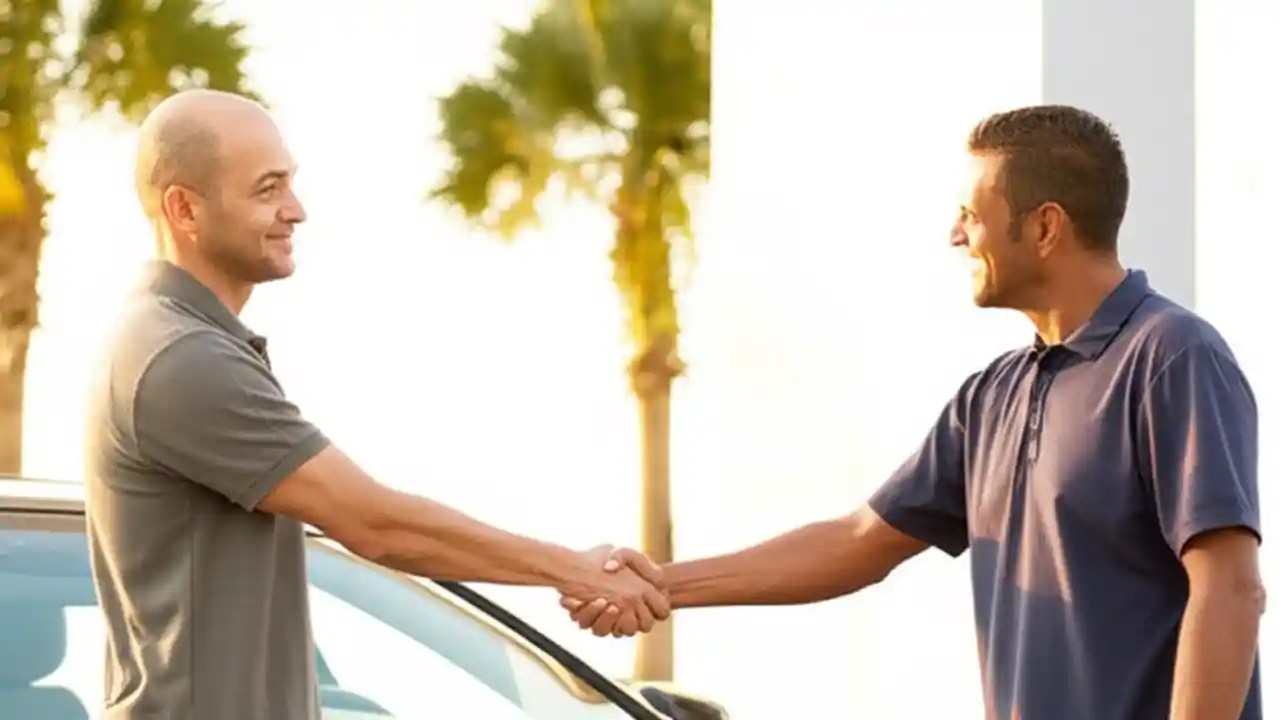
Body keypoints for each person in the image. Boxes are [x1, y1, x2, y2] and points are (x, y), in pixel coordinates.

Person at [563, 105, 1264, 719]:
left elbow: (1230, 587)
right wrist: (662, 585)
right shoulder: (991, 397)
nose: (955, 236)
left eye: (971, 214)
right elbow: (859, 541)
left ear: (1045, 226)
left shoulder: (1173, 357)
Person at [82, 88, 667, 720]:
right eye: (267, 189)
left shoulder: (174, 341)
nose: (296, 210)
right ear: (184, 209)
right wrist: (572, 571)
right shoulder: (180, 358)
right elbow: (374, 523)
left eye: (290, 184)